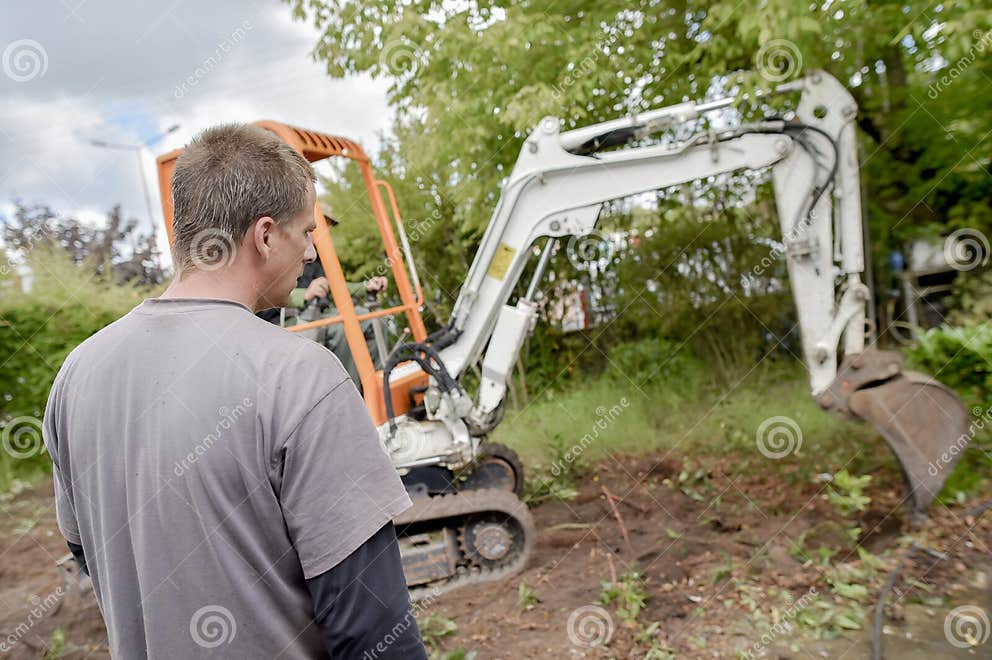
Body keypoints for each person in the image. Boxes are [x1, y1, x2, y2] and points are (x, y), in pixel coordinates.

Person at [42, 124, 427, 659]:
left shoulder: (76, 375)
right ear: (265, 236)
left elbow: (89, 554)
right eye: (307, 231)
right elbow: (373, 633)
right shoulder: (301, 376)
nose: (312, 252)